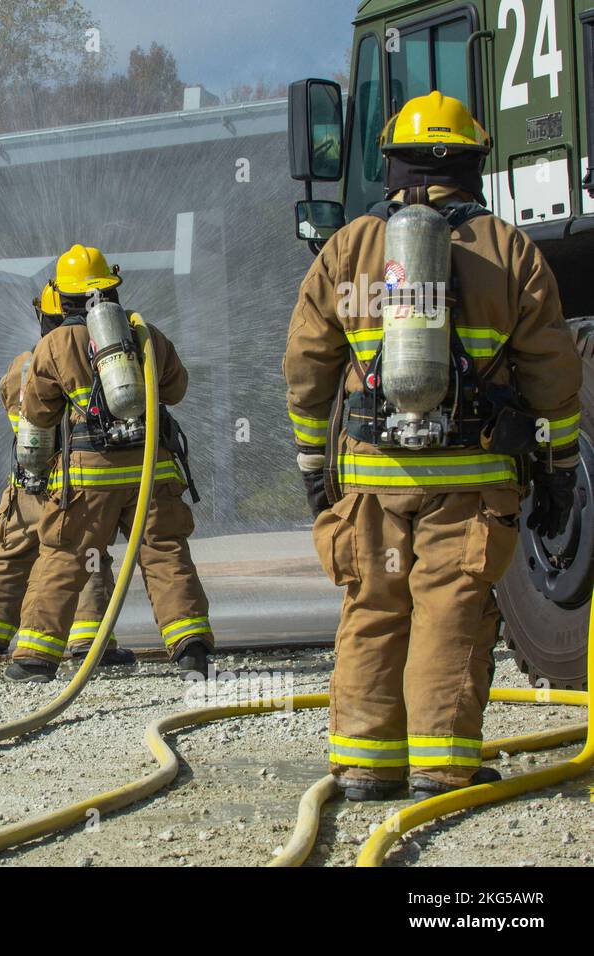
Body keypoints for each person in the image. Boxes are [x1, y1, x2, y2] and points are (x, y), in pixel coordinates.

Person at [283, 92, 582, 801]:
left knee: (374, 604)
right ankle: (442, 764)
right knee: (450, 607)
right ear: (475, 164)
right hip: (470, 480)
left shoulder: (347, 248)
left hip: (371, 475)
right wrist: (560, 469)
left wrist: (313, 470)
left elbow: (304, 371)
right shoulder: (507, 249)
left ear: (391, 165)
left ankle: (362, 763)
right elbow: (553, 375)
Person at [7, 244, 213, 683]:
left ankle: (35, 658)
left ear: (63, 299)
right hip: (151, 472)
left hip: (88, 475)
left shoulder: (56, 343)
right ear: (112, 288)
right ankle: (191, 647)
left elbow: (39, 415)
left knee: (65, 556)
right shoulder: (144, 333)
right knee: (165, 553)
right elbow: (175, 390)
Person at [0, 282, 135, 667]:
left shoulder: (22, 363)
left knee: (11, 552)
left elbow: (16, 411)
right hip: (70, 483)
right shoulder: (87, 359)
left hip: (27, 485)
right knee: (85, 553)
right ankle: (88, 640)